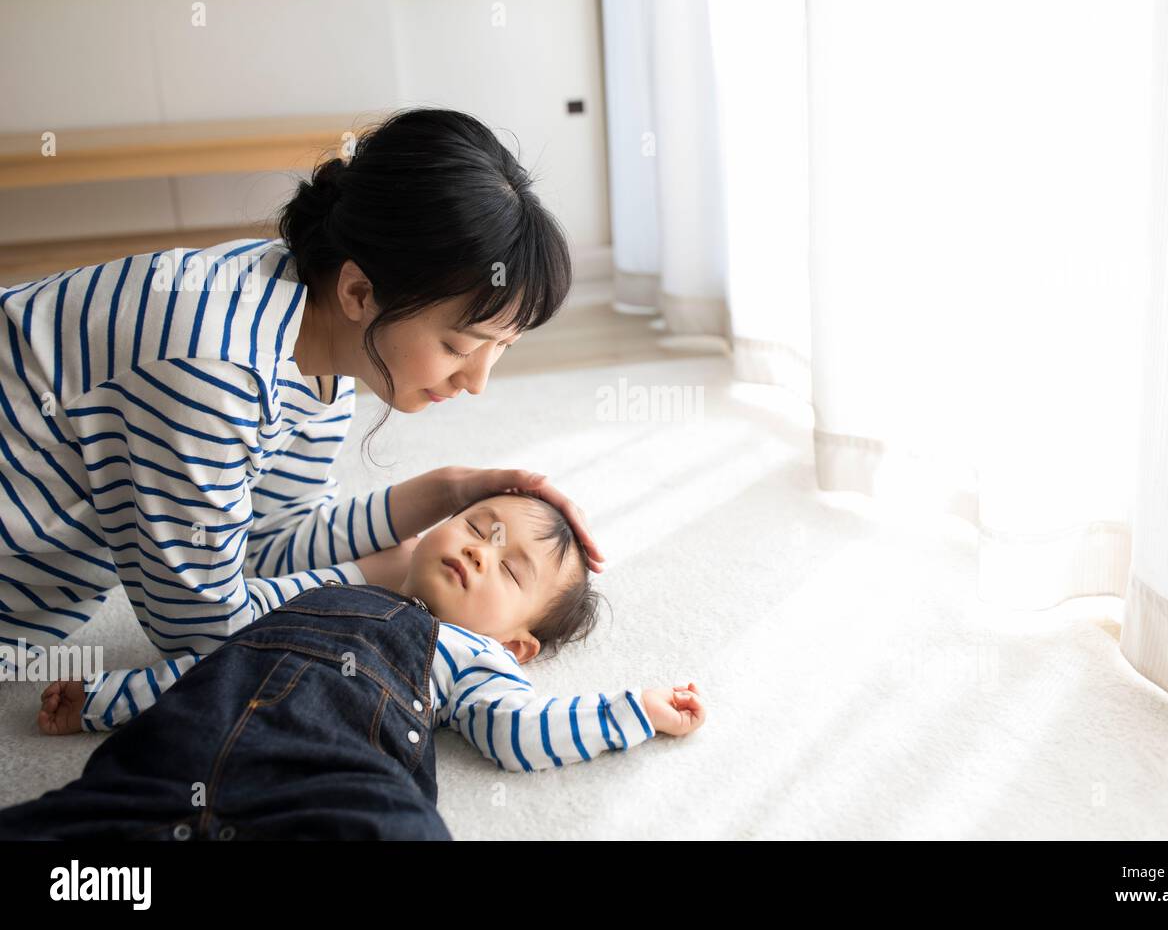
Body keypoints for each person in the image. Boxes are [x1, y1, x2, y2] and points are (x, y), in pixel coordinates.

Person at [0, 107, 605, 733]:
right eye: (459, 346)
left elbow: (267, 545)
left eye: (498, 349)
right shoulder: (218, 371)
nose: (476, 381)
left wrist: (450, 492)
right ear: (359, 293)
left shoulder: (314, 344)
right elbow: (209, 634)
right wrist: (378, 580)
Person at [0, 492, 705, 840]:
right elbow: (209, 662)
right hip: (170, 760)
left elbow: (517, 734)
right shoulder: (320, 589)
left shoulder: (478, 656)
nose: (481, 550)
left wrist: (636, 711)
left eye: (509, 567)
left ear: (519, 645)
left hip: (332, 777)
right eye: (478, 526)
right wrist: (105, 700)